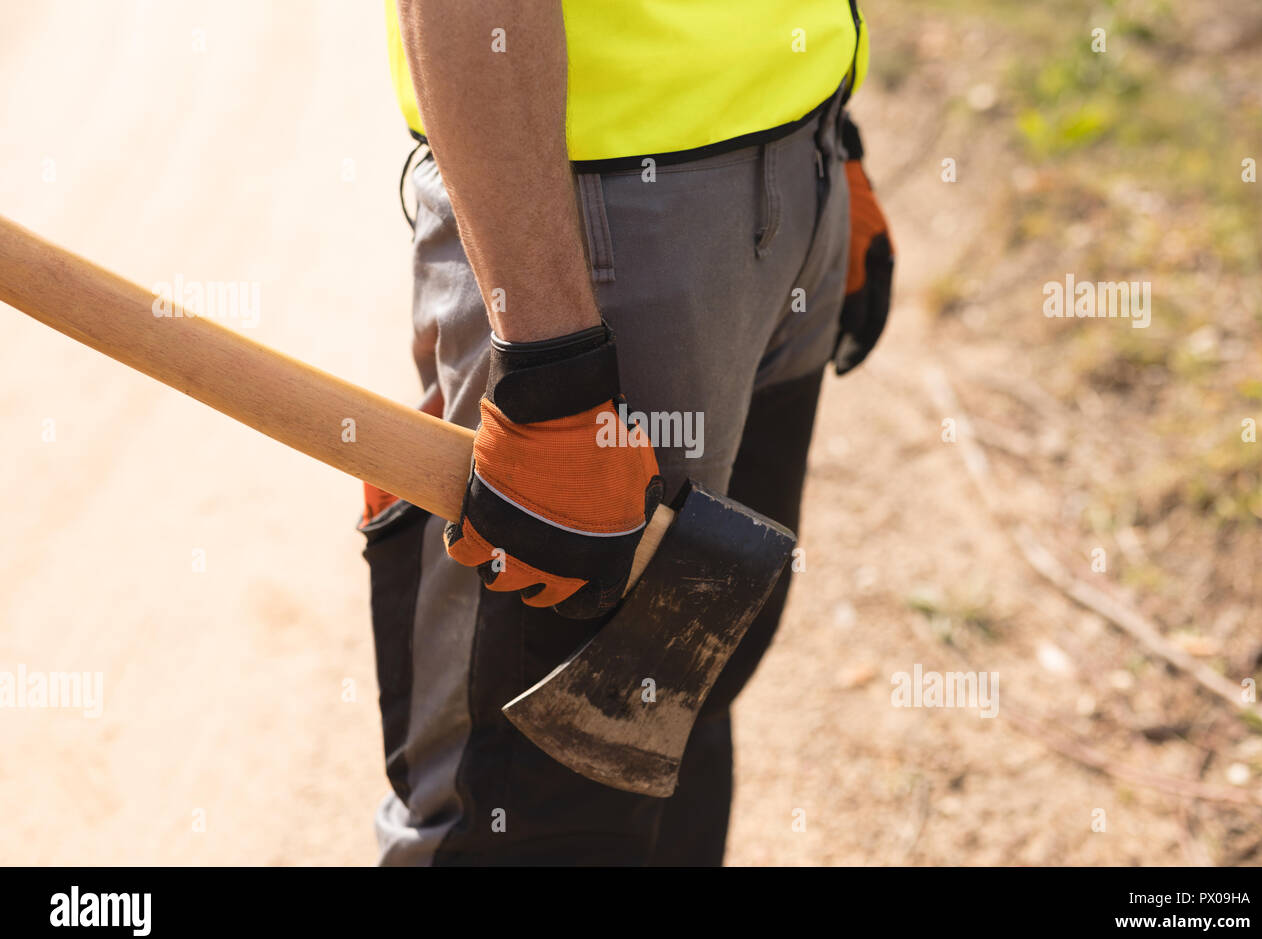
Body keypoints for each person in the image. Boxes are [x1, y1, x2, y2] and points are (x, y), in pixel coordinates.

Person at [360, 0, 894, 865]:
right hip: (596, 229)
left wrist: (826, 131)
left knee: (681, 706)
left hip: (794, 170)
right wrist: (550, 371)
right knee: (522, 814)